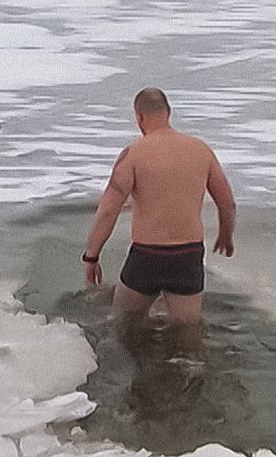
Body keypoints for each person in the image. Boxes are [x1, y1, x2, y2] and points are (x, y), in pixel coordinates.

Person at [83, 88, 235, 346]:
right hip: (188, 257)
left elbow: (108, 211)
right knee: (188, 338)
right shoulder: (200, 150)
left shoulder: (133, 154)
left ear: (139, 116)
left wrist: (92, 257)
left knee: (123, 326)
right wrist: (225, 235)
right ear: (168, 113)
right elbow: (227, 203)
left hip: (147, 257)